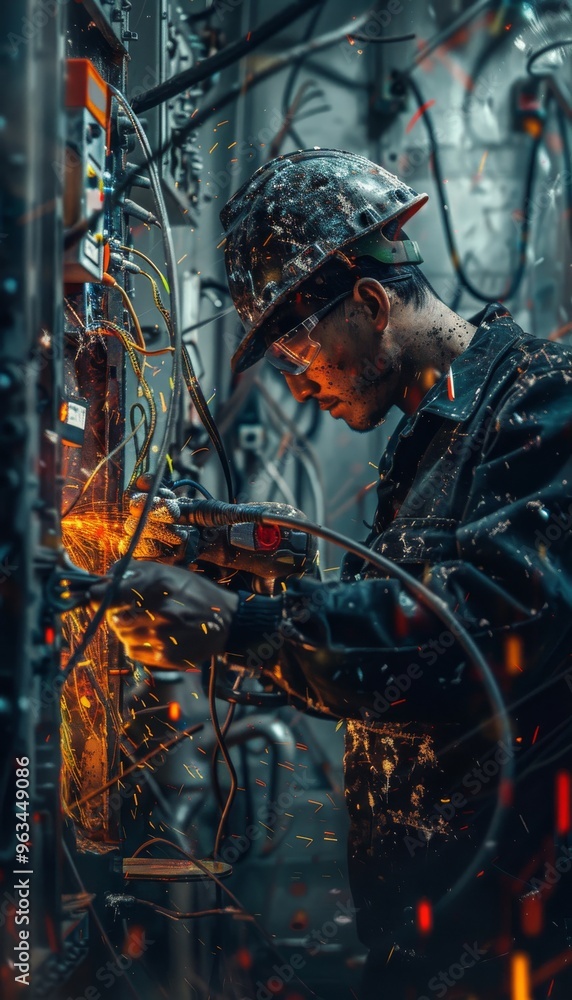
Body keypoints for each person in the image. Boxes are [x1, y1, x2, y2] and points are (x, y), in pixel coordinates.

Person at [92, 150, 572, 998]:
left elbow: (478, 634)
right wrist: (234, 576)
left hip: (523, 947)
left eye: (296, 353)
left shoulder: (540, 402)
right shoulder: (431, 442)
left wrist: (241, 625)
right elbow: (397, 652)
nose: (300, 384)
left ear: (372, 303)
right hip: (426, 938)